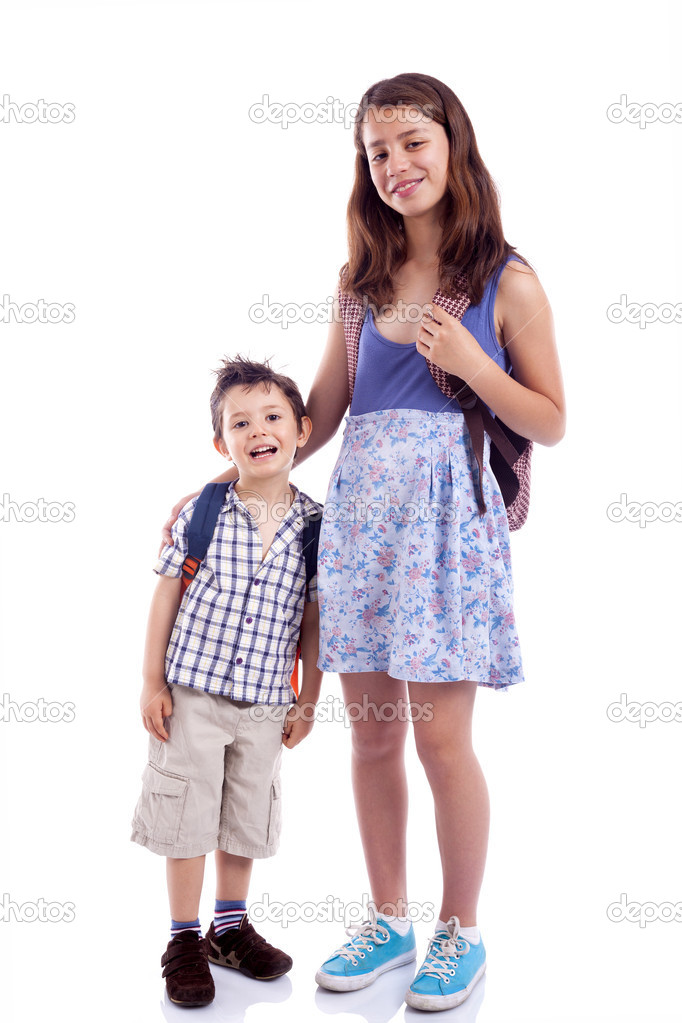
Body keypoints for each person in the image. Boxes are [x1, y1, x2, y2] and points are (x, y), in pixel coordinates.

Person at [162, 72, 565, 1012]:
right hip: (360, 534)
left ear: (453, 147)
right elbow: (321, 414)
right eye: (378, 151)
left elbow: (550, 420)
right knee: (374, 739)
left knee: (442, 744)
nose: (396, 164)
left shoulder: (509, 280)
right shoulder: (359, 285)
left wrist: (470, 363)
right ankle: (390, 918)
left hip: (443, 540)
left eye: (413, 143)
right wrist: (222, 481)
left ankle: (461, 928)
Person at [132, 356, 323, 1008]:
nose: (257, 429)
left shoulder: (316, 526)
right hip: (193, 694)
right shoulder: (205, 509)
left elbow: (314, 620)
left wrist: (310, 697)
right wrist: (151, 680)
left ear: (302, 429)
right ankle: (184, 938)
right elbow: (165, 595)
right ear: (222, 442)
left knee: (244, 817)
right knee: (186, 811)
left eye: (272, 416)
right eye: (240, 422)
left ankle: (230, 928)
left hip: (267, 703)